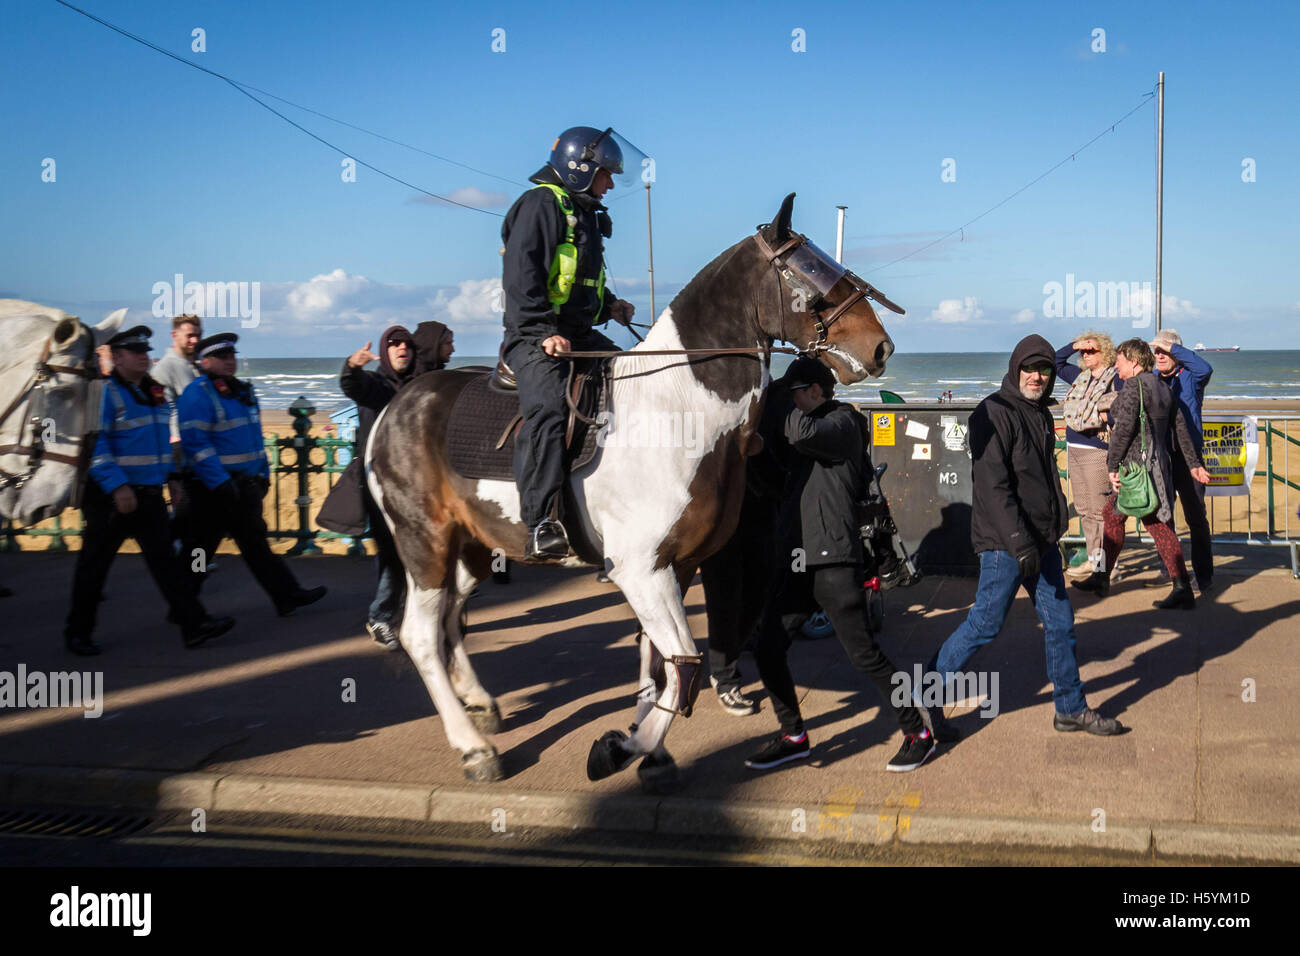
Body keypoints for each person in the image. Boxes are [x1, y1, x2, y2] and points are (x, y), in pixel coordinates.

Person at [922, 335, 1125, 737]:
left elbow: (1044, 475)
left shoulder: (1040, 412)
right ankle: (925, 698)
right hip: (1005, 543)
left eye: (1045, 369)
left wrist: (1055, 524)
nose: (1037, 376)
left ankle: (1069, 708)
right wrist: (1019, 541)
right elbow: (992, 485)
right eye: (1030, 368)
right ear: (1016, 369)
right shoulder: (991, 413)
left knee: (1061, 623)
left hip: (1042, 541)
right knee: (984, 623)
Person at [744, 357, 937, 772]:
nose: (789, 400)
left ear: (816, 390)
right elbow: (778, 484)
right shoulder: (804, 440)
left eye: (795, 391)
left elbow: (801, 429)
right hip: (799, 561)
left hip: (835, 558)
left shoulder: (843, 422)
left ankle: (918, 732)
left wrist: (776, 398)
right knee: (767, 648)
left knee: (864, 655)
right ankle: (794, 736)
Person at [501, 126, 637, 560]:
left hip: (577, 335)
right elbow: (522, 281)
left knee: (637, 380)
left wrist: (610, 305)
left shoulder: (583, 212)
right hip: (534, 337)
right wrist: (543, 334)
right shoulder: (539, 206)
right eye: (605, 174)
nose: (611, 183)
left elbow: (578, 281)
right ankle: (541, 522)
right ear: (580, 170)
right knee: (548, 411)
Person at [63, 326, 234, 655]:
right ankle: (77, 633)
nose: (143, 355)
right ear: (115, 357)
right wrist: (117, 487)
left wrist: (172, 478)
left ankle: (194, 626)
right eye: (135, 351)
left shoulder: (153, 390)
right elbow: (95, 446)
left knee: (167, 565)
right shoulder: (103, 392)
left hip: (149, 495)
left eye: (144, 350)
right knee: (94, 567)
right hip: (111, 499)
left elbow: (159, 443)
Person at [178, 332, 327, 616]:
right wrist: (220, 483)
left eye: (232, 355)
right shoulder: (197, 393)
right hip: (211, 491)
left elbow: (255, 441)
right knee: (199, 550)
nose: (229, 361)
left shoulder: (242, 391)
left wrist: (262, 474)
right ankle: (184, 602)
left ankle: (286, 595)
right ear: (204, 361)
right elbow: (196, 444)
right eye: (222, 357)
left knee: (255, 545)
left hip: (243, 487)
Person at [1073, 339, 1211, 609]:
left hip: (1136, 472)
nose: (1116, 365)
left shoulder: (1133, 388)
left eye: (1120, 360)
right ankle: (1101, 576)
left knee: (1157, 527)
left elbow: (1123, 431)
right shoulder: (1161, 387)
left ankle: (1180, 586)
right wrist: (1193, 462)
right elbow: (1180, 427)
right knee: (1114, 517)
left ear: (1134, 362)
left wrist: (1112, 466)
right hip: (1158, 468)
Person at [317, 325, 425, 649]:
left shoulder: (419, 386)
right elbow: (352, 385)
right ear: (385, 350)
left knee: (414, 552)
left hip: (416, 485)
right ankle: (380, 617)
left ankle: (412, 618)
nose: (401, 347)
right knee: (393, 553)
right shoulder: (377, 385)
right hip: (380, 485)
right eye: (394, 343)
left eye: (406, 343)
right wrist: (352, 365)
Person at [698, 379, 793, 717]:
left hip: (760, 516)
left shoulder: (769, 405)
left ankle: (727, 656)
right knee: (724, 600)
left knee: (757, 593)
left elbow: (775, 471)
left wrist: (764, 453)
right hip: (720, 523)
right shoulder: (713, 411)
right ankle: (724, 676)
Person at [1151, 329, 1214, 592]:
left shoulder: (1192, 376)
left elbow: (1205, 367)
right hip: (1161, 456)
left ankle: (1204, 575)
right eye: (1156, 352)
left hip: (1190, 460)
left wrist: (1170, 347)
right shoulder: (1152, 379)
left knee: (1196, 518)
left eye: (1165, 351)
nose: (1160, 356)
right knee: (1162, 516)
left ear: (1176, 352)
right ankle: (1172, 570)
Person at [1055, 332, 1119, 580]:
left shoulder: (1115, 379)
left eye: (1091, 350)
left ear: (1105, 352)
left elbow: (1124, 407)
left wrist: (1105, 418)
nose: (1085, 355)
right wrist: (1073, 344)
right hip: (1074, 448)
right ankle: (1095, 563)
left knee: (1099, 511)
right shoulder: (1079, 377)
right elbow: (1055, 361)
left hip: (1096, 450)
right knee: (1084, 509)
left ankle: (1107, 567)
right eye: (1083, 351)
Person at [152, 314, 203, 542]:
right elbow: (163, 410)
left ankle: (192, 555)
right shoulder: (166, 367)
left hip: (195, 441)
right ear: (175, 336)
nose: (195, 340)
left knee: (196, 502)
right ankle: (180, 552)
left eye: (198, 335)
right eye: (189, 335)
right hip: (178, 443)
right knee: (183, 501)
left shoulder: (194, 365)